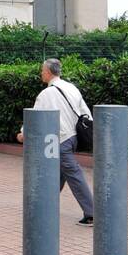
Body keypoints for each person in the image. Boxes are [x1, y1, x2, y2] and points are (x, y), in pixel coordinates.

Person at [17, 58, 94, 226]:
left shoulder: (46, 94)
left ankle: (92, 213)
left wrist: (23, 134)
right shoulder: (71, 87)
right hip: (74, 138)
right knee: (59, 173)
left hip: (61, 140)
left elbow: (35, 117)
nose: (41, 73)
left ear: (49, 72)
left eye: (42, 70)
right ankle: (45, 205)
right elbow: (86, 113)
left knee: (73, 174)